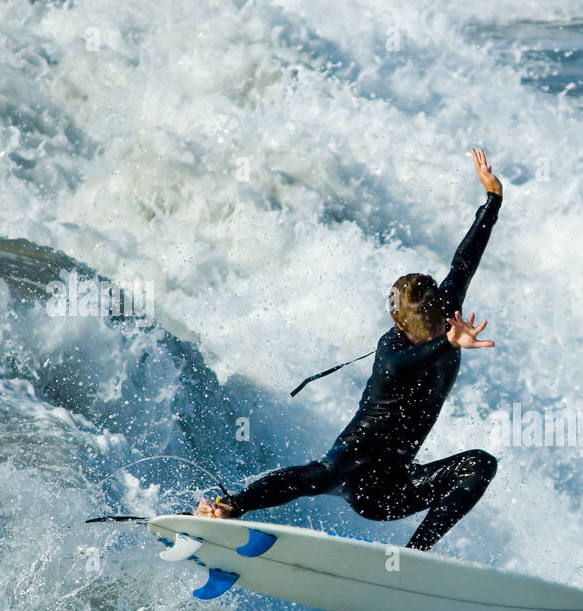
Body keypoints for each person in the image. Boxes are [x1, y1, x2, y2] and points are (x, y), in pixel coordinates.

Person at [194, 147, 503, 551]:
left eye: (436, 328)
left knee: (480, 464)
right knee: (320, 474)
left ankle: (415, 556)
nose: (429, 335)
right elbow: (413, 360)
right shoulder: (392, 354)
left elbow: (463, 262)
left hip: (398, 487)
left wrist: (492, 201)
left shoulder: (446, 311)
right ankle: (229, 506)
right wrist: (446, 342)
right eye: (421, 333)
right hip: (357, 472)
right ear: (399, 325)